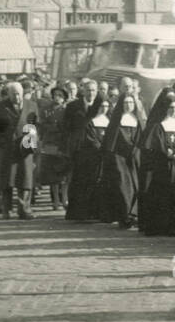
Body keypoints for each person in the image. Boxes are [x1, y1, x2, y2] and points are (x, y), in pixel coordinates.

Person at [139, 88, 175, 237]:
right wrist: (165, 152)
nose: (173, 110)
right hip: (162, 165)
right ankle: (162, 226)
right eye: (170, 107)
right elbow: (154, 142)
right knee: (162, 196)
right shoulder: (158, 125)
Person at [0, 82, 37, 220]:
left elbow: (36, 125)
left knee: (25, 180)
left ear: (23, 93)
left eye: (19, 94)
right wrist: (2, 143)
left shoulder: (31, 105)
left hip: (26, 148)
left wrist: (33, 143)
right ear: (9, 94)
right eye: (13, 95)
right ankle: (6, 209)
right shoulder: (1, 107)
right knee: (7, 180)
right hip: (7, 149)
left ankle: (24, 209)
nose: (17, 97)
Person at [101, 92, 144, 228]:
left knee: (137, 186)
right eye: (125, 102)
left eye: (131, 102)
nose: (128, 105)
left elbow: (141, 139)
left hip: (135, 156)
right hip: (119, 157)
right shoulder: (116, 120)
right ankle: (124, 216)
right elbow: (111, 141)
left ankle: (134, 215)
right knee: (123, 187)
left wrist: (135, 151)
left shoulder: (138, 120)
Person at [66, 93, 110, 222]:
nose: (104, 108)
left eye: (107, 106)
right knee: (86, 184)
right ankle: (84, 213)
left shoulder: (109, 120)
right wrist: (100, 148)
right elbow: (90, 138)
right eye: (101, 105)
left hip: (103, 156)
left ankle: (99, 213)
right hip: (89, 156)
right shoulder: (89, 120)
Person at [36, 86, 70, 211]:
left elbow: (67, 127)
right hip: (50, 144)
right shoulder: (46, 110)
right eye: (55, 95)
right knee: (53, 174)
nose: (57, 98)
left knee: (65, 174)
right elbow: (41, 125)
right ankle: (55, 200)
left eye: (60, 95)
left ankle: (65, 199)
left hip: (63, 144)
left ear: (64, 98)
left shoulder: (66, 110)